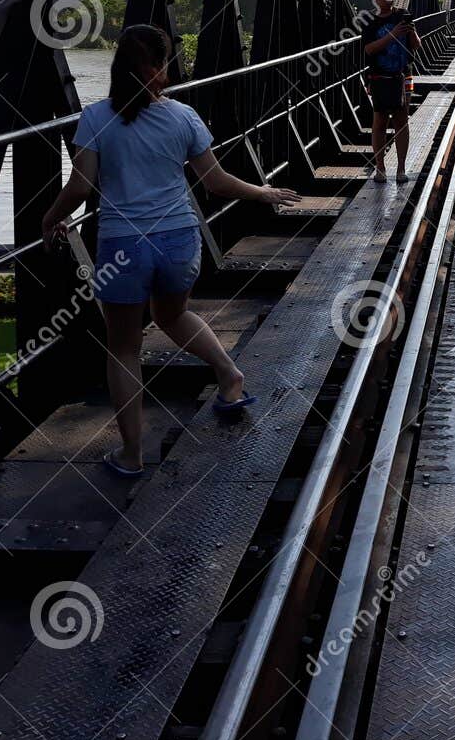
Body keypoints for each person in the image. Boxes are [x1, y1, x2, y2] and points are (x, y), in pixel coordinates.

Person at [41, 25, 300, 477]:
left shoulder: (96, 118)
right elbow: (215, 182)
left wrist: (49, 219)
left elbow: (80, 187)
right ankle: (229, 375)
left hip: (125, 246)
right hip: (180, 238)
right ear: (159, 68)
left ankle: (132, 455)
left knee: (123, 348)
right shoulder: (184, 117)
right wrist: (263, 193)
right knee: (173, 315)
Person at [364, 0, 421, 184]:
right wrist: (393, 35)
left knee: (401, 120)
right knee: (379, 121)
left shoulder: (403, 16)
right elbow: (369, 49)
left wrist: (411, 33)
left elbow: (416, 46)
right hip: (379, 76)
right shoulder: (370, 21)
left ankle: (401, 168)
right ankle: (380, 167)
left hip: (403, 74)